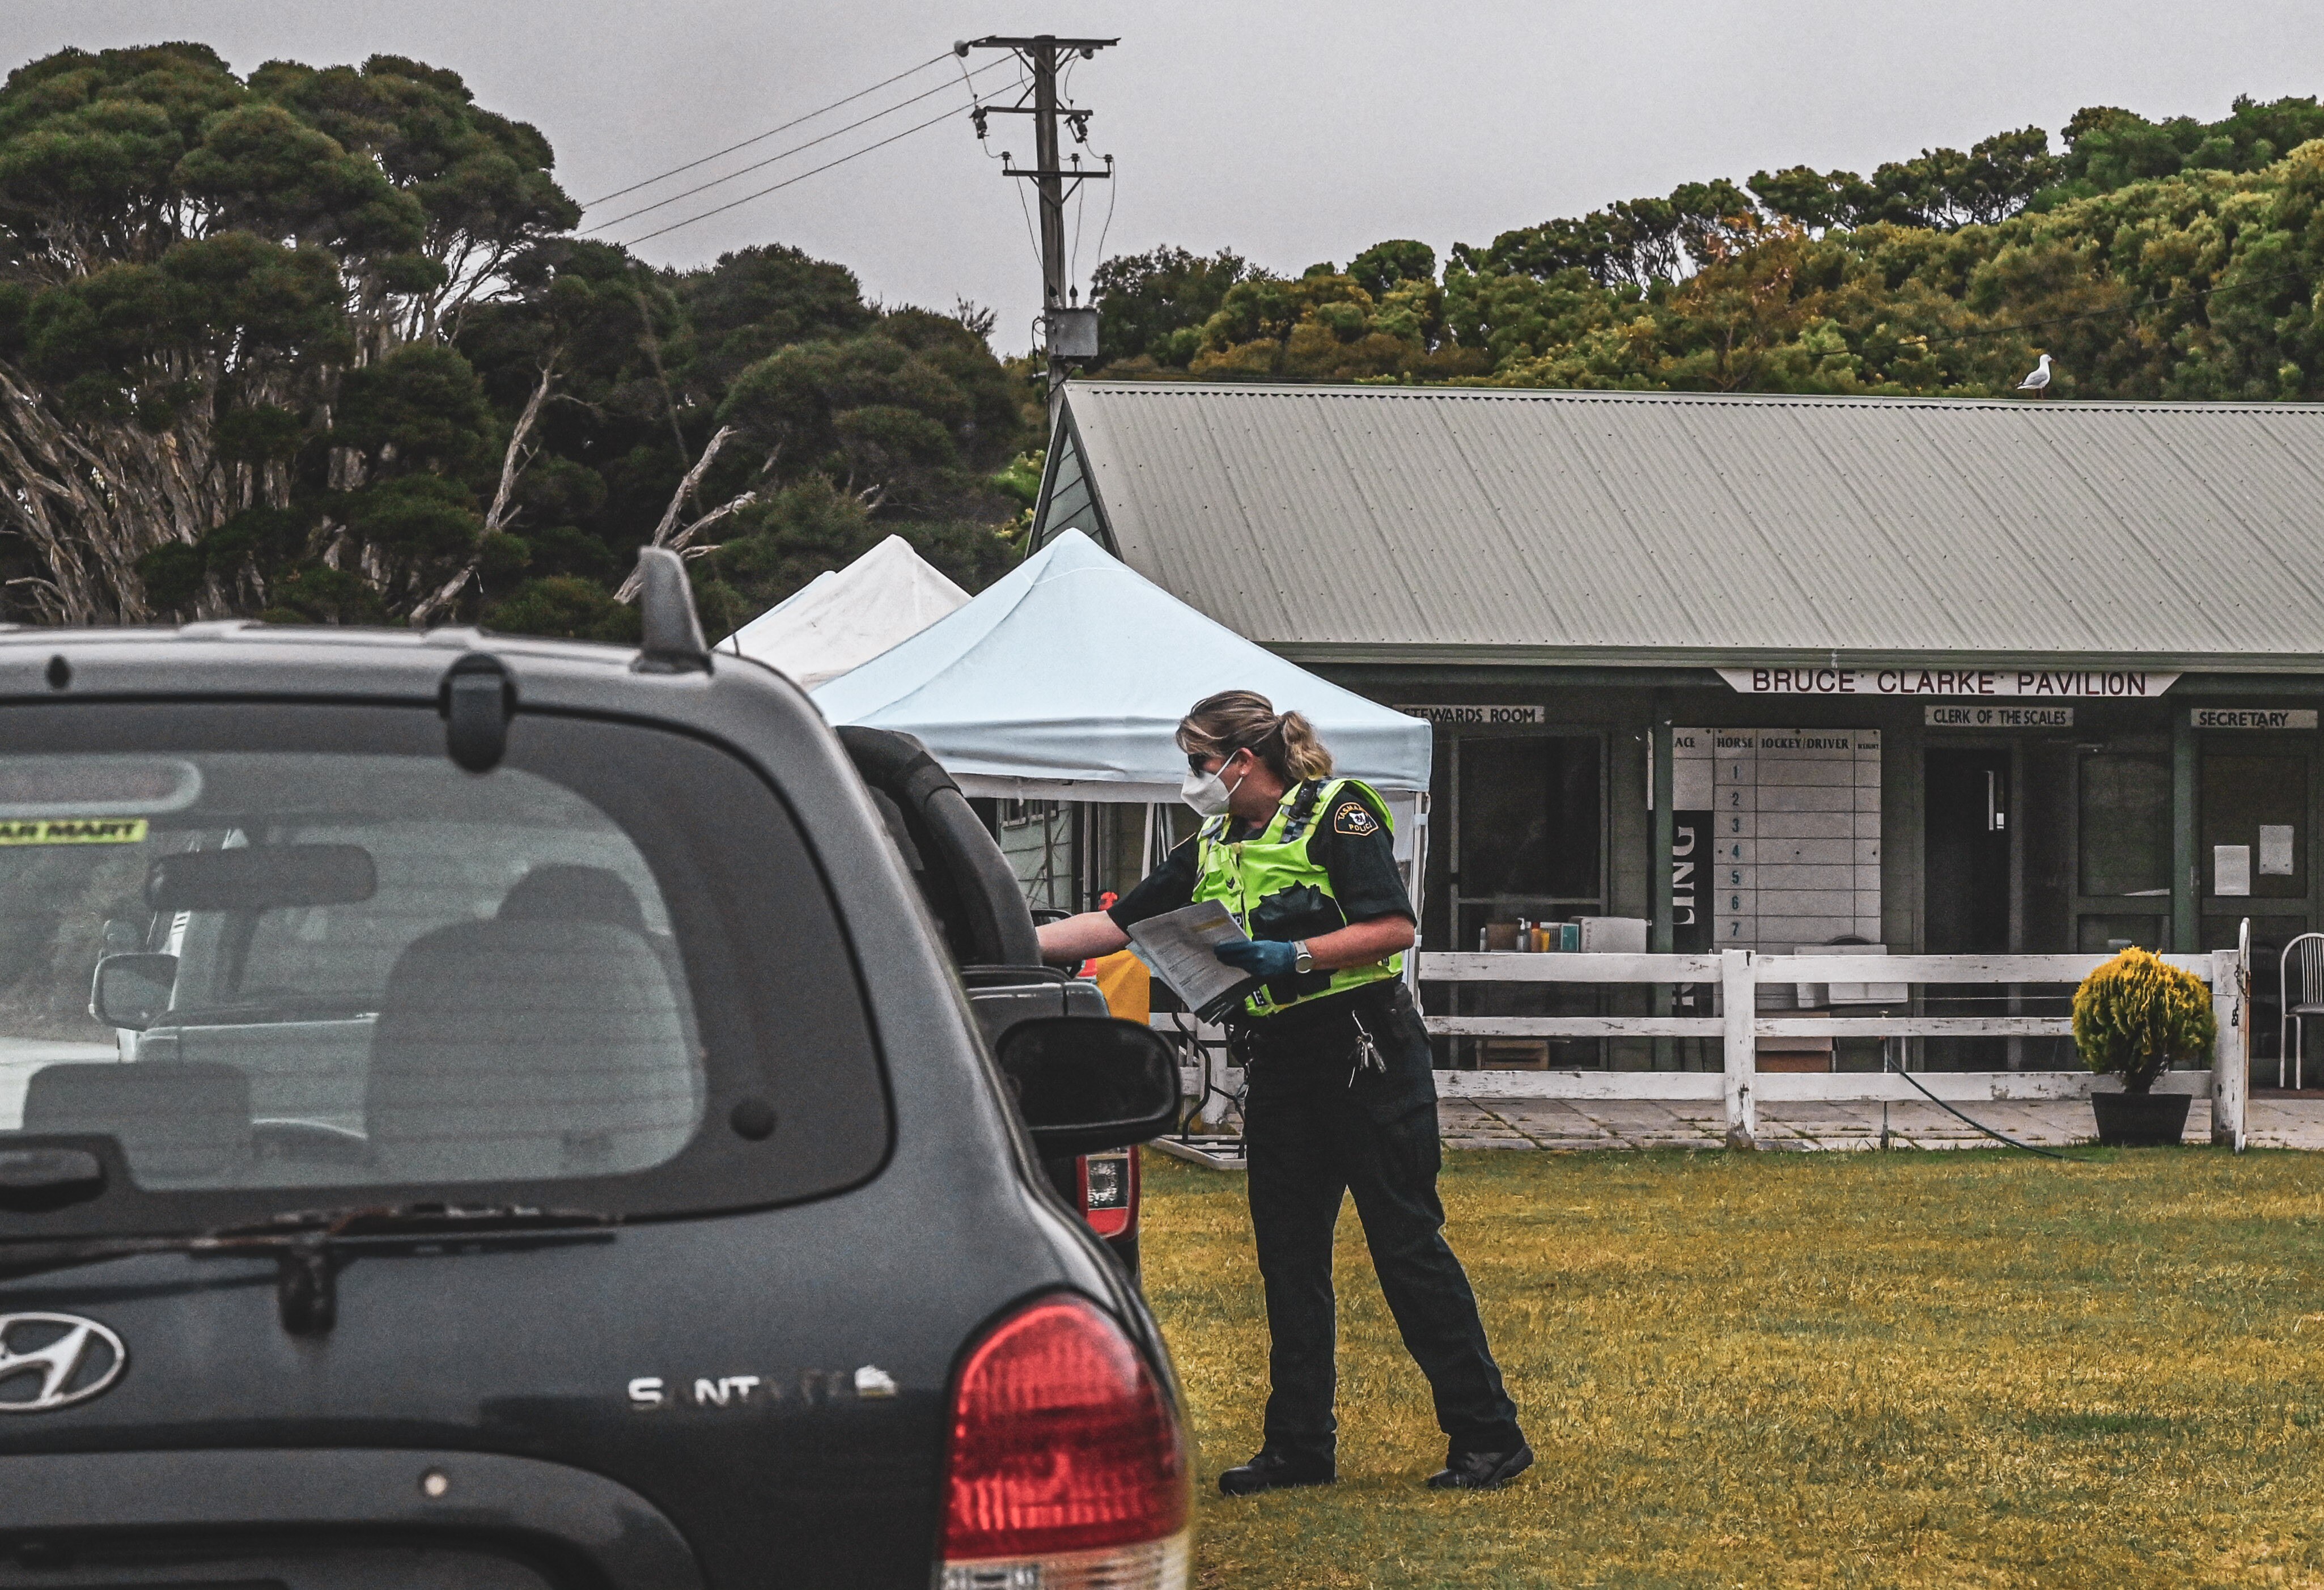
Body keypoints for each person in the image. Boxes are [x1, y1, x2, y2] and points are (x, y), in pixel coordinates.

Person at [1037, 690, 1530, 1494]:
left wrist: (1295, 957)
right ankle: (1300, 1445)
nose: (1193, 778)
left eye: (1200, 762)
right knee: (1288, 1260)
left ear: (1245, 759)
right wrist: (1001, 940)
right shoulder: (1214, 840)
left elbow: (1394, 927)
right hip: (1283, 1061)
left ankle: (1488, 1434)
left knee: (1406, 1247)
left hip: (1365, 1050)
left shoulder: (1340, 815)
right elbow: (1121, 923)